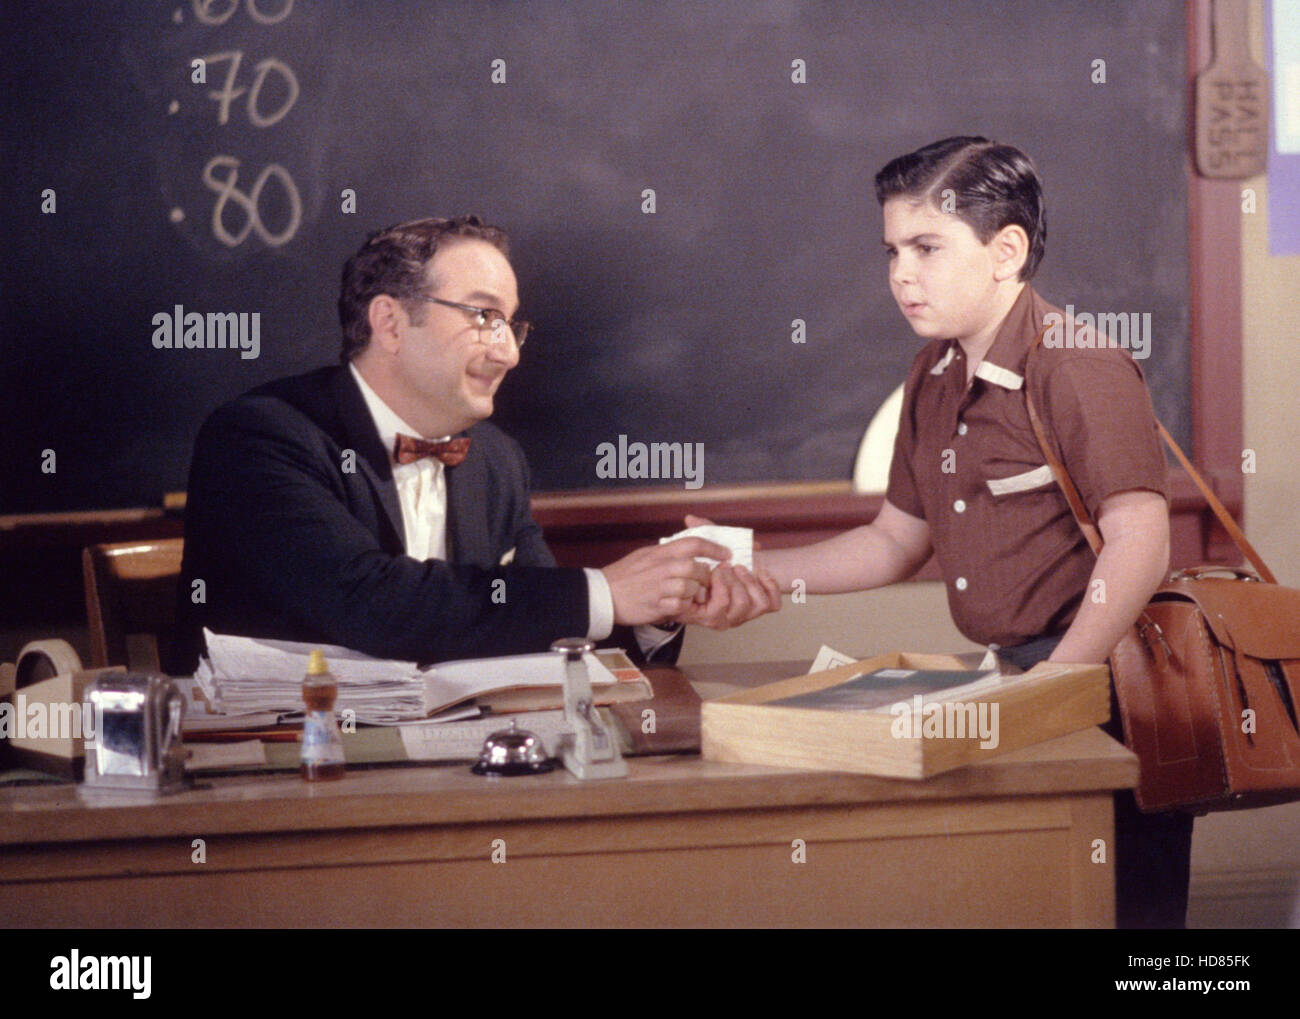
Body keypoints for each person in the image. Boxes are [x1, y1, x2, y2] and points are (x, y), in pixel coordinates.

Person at [703, 137, 1191, 928]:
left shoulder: (1077, 363)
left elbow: (1142, 537)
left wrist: (1057, 681)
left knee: (1130, 933)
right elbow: (893, 542)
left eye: (927, 247)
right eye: (893, 249)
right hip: (1012, 680)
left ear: (1006, 251)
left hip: (1106, 687)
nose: (901, 272)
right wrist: (753, 565)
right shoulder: (931, 374)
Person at [177, 215, 779, 670]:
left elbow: (540, 615)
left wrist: (660, 606)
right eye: (483, 317)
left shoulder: (494, 459)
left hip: (450, 773)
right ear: (389, 322)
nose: (509, 352)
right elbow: (368, 603)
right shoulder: (259, 436)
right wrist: (605, 591)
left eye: (512, 324)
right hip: (275, 781)